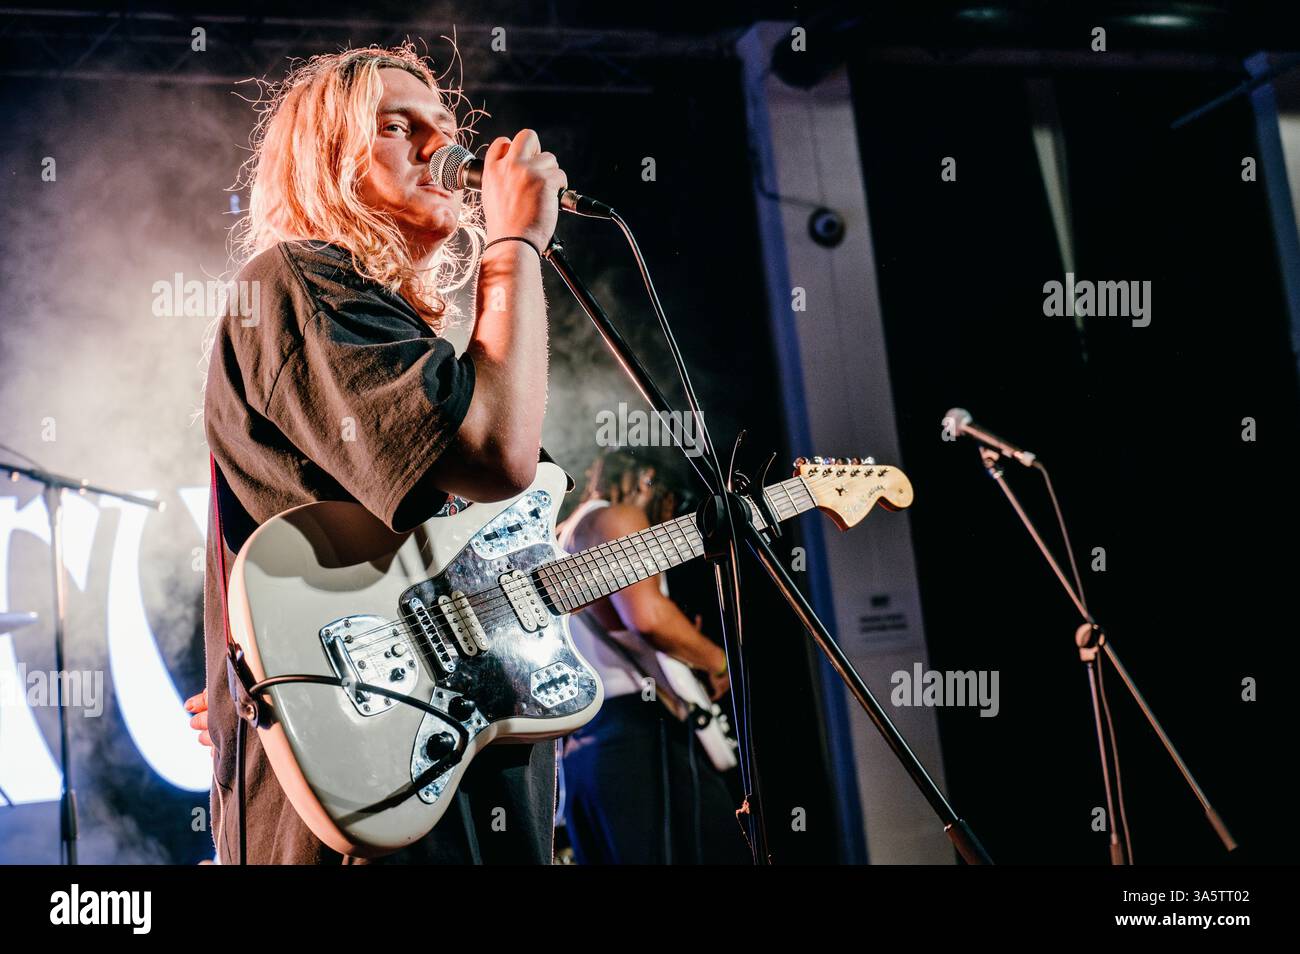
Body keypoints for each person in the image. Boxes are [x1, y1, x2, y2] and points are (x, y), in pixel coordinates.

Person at [183, 42, 567, 864]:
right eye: (399, 128)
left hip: (434, 764)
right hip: (367, 801)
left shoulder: (390, 328)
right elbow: (499, 455)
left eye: (444, 125)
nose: (444, 150)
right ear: (325, 162)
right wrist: (518, 245)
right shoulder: (295, 279)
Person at [555, 450, 750, 864]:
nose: (670, 513)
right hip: (639, 739)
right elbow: (647, 617)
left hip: (588, 747)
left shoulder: (563, 532)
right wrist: (718, 661)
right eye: (671, 497)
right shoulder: (618, 518)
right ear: (648, 479)